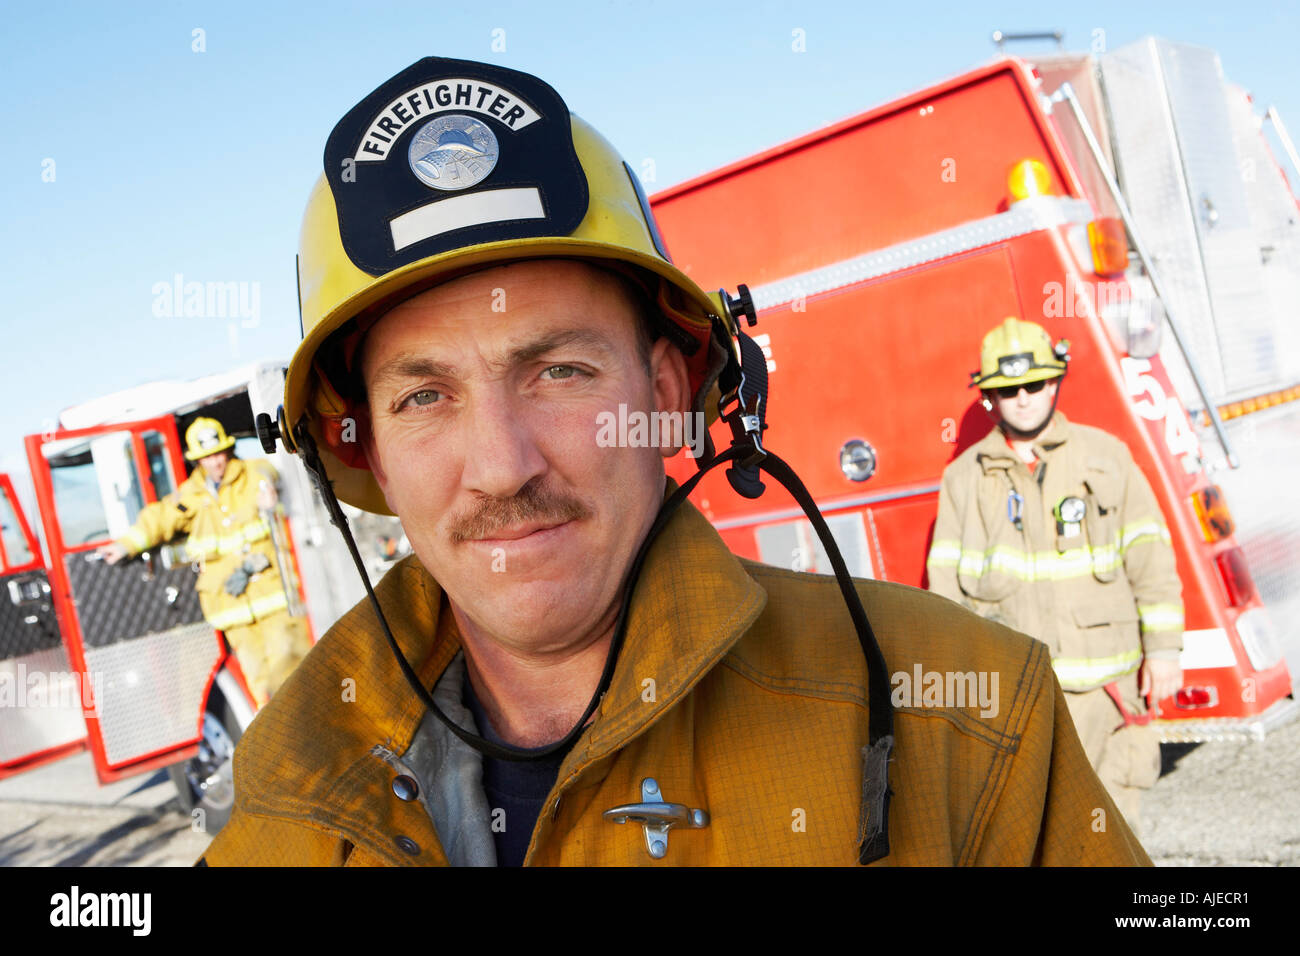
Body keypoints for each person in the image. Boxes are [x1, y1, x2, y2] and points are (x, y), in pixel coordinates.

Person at [198, 57, 1151, 866]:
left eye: (560, 370)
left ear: (664, 395)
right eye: (423, 396)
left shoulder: (969, 721)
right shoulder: (287, 791)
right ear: (358, 450)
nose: (500, 466)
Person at [926, 317, 1184, 831]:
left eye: (1034, 383)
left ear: (1056, 381)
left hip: (1107, 692)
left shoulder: (1106, 455)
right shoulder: (964, 478)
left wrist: (1165, 651)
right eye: (1007, 389)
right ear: (990, 397)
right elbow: (945, 591)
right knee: (1036, 834)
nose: (1022, 398)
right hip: (1022, 698)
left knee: (1111, 837)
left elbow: (1150, 556)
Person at [98, 417, 312, 708]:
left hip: (273, 597)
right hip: (232, 606)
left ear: (227, 450)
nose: (215, 462)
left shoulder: (252, 475)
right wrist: (127, 544)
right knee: (260, 683)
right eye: (207, 457)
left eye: (218, 453)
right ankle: (280, 743)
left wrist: (269, 492)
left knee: (294, 668)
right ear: (197, 460)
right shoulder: (191, 495)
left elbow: (268, 474)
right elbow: (160, 518)